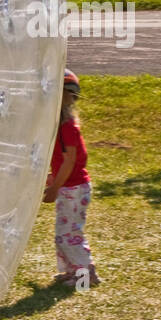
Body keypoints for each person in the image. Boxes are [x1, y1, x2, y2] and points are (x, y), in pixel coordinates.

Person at [44, 70, 101, 288]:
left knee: (70, 234)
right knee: (62, 234)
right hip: (69, 187)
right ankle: (72, 272)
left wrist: (55, 187)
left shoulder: (68, 128)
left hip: (73, 189)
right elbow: (63, 163)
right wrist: (53, 179)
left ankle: (87, 277)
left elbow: (70, 162)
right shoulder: (61, 126)